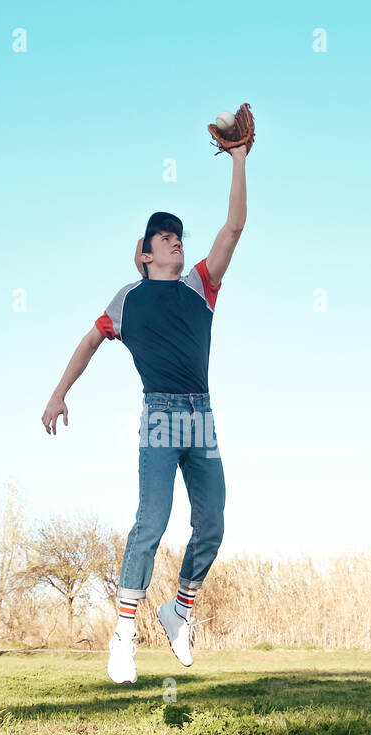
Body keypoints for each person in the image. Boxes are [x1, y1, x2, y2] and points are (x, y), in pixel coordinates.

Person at [42, 143, 249, 683]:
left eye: (179, 235)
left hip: (200, 416)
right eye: (165, 236)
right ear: (145, 254)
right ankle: (125, 634)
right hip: (159, 415)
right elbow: (89, 342)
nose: (176, 240)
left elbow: (233, 227)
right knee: (151, 522)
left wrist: (239, 160)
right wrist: (59, 392)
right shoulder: (128, 299)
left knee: (213, 525)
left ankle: (179, 611)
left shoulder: (200, 285)